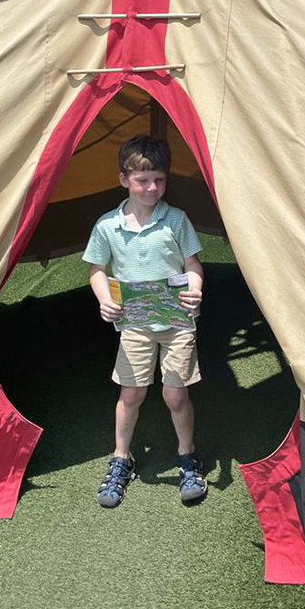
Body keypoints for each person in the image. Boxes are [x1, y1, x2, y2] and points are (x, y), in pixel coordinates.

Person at [83, 134, 207, 508]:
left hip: (177, 319)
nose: (152, 188)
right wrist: (105, 300)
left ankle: (188, 456)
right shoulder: (108, 226)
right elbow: (96, 269)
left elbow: (192, 263)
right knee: (131, 392)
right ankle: (122, 458)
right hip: (135, 323)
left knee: (175, 393)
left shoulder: (176, 220)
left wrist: (196, 288)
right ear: (124, 180)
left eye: (159, 180)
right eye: (142, 180)